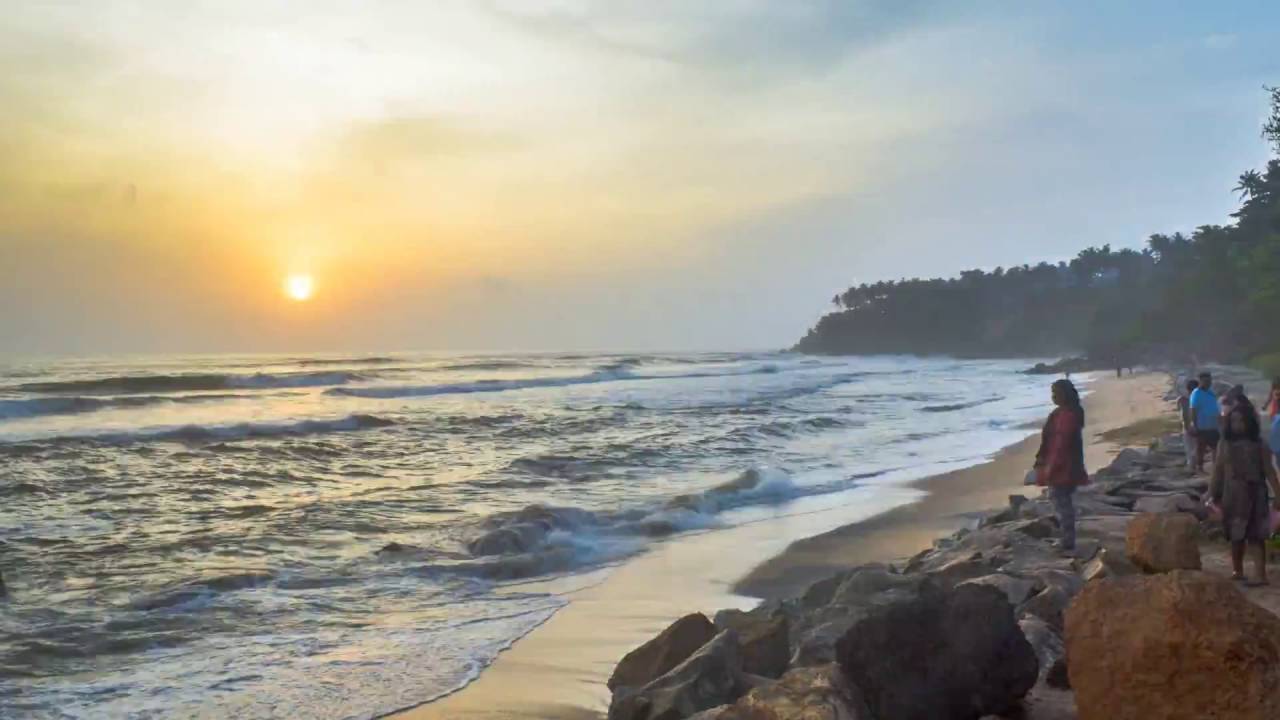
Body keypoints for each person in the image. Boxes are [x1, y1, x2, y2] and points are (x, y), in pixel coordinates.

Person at [1210, 396, 1280, 586]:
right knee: (1235, 535)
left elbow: (1269, 471)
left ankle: (1260, 574)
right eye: (1233, 421)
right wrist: (1212, 493)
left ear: (1250, 423)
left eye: (1241, 421)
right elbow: (1218, 471)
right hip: (1232, 495)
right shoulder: (1224, 444)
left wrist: (1278, 495)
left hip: (1255, 494)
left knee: (1256, 536)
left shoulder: (1260, 445)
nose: (1237, 425)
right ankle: (1237, 570)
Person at [1034, 379, 1088, 552]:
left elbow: (1061, 443)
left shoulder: (1066, 415)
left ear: (1064, 395)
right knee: (1062, 501)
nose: (1053, 397)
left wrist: (1051, 467)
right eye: (1052, 393)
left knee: (1061, 502)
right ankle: (1067, 539)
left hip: (1065, 465)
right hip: (1067, 464)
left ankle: (1067, 541)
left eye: (1056, 393)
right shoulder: (1067, 412)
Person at [1189, 372, 1221, 473]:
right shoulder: (1196, 393)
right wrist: (1194, 425)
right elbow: (1193, 410)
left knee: (1216, 447)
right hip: (1202, 426)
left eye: (1209, 381)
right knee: (1201, 448)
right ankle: (1199, 467)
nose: (1208, 383)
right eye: (1206, 381)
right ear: (1200, 381)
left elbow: (1216, 407)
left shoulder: (1211, 392)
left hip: (1213, 426)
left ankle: (1216, 467)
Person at [1177, 378, 1199, 469]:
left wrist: (1187, 427)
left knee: (1191, 450)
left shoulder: (1183, 400)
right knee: (1194, 450)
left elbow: (1183, 415)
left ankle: (1192, 466)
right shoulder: (1198, 399)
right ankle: (1195, 466)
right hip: (1197, 427)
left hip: (1190, 427)